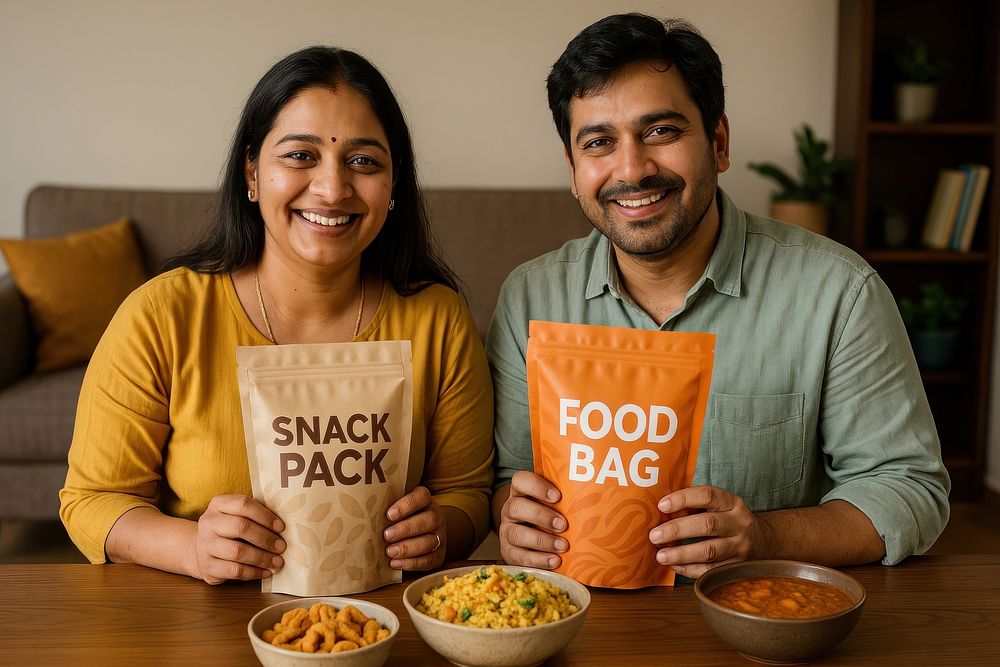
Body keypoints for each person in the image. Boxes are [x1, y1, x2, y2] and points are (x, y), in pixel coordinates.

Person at [488, 13, 950, 578]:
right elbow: (507, 478)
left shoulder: (839, 293)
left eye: (661, 132)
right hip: (583, 614)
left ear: (719, 142)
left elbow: (909, 488)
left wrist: (765, 537)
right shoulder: (529, 299)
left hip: (765, 611)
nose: (631, 169)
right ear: (573, 167)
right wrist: (514, 518)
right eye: (599, 143)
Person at [60, 46, 494, 584]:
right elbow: (92, 501)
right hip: (203, 617)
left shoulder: (438, 320)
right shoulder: (162, 315)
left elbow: (467, 495)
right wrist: (193, 548)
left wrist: (439, 531)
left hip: (380, 620)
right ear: (252, 170)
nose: (332, 189)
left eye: (363, 161)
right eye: (300, 155)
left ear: (394, 184)